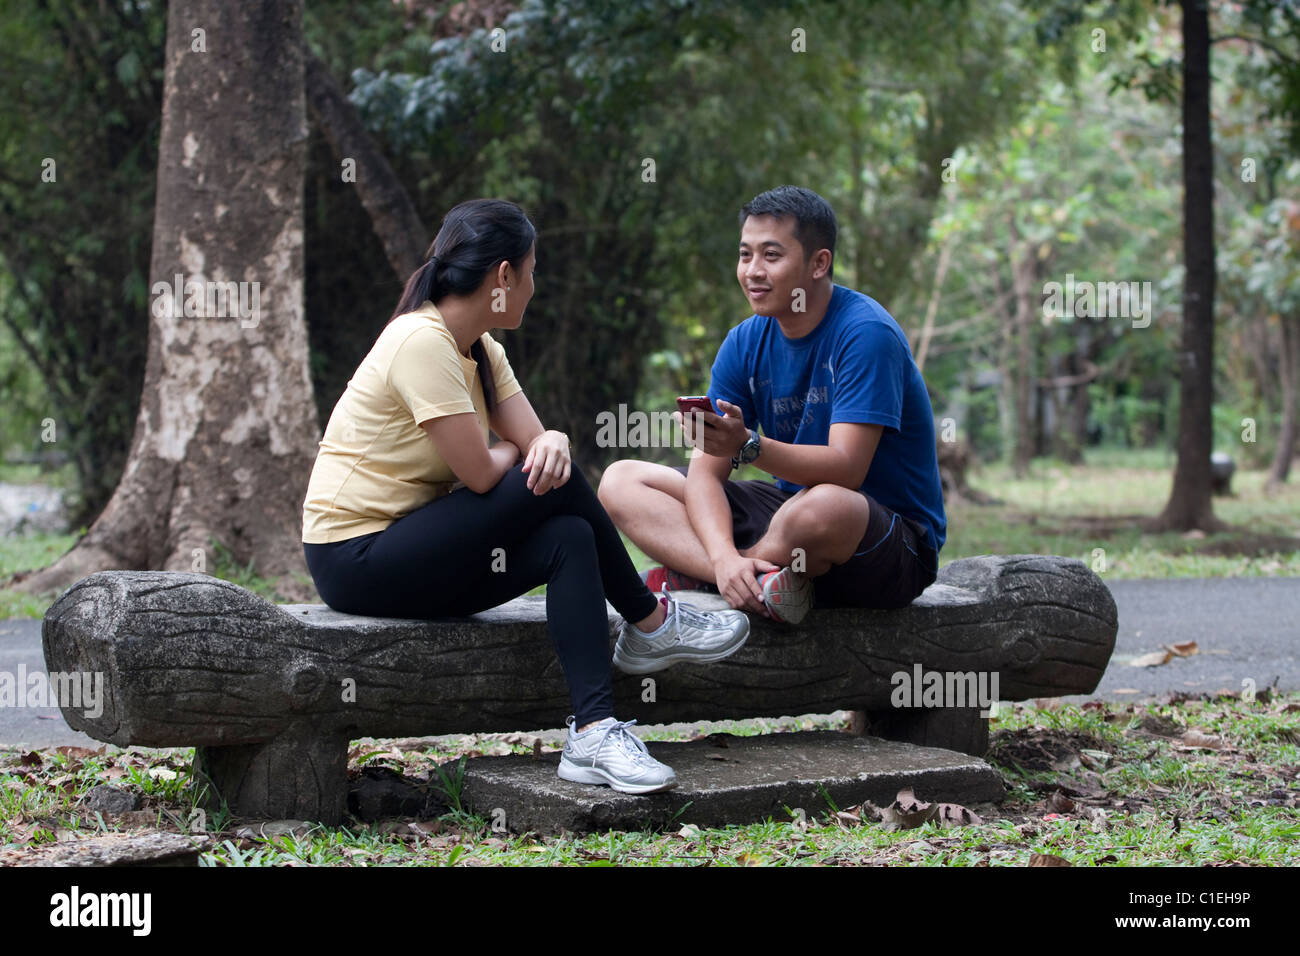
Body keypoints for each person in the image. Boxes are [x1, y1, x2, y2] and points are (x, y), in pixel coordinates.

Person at [301, 199, 749, 795]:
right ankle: (649, 618)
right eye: (532, 271)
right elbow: (489, 473)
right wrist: (529, 449)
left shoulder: (481, 350)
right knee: (551, 485)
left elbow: (539, 448)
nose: (534, 287)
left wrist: (550, 440)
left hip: (419, 551)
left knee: (568, 536)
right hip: (353, 556)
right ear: (503, 276)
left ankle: (593, 731)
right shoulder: (420, 341)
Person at [598, 185, 946, 631]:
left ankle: (712, 576)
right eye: (745, 255)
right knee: (621, 480)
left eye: (771, 256)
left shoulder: (865, 333)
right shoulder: (744, 341)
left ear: (819, 263)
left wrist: (749, 446)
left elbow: (847, 471)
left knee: (822, 508)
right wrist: (722, 555)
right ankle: (741, 578)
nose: (753, 272)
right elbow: (707, 472)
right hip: (787, 521)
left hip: (884, 543)